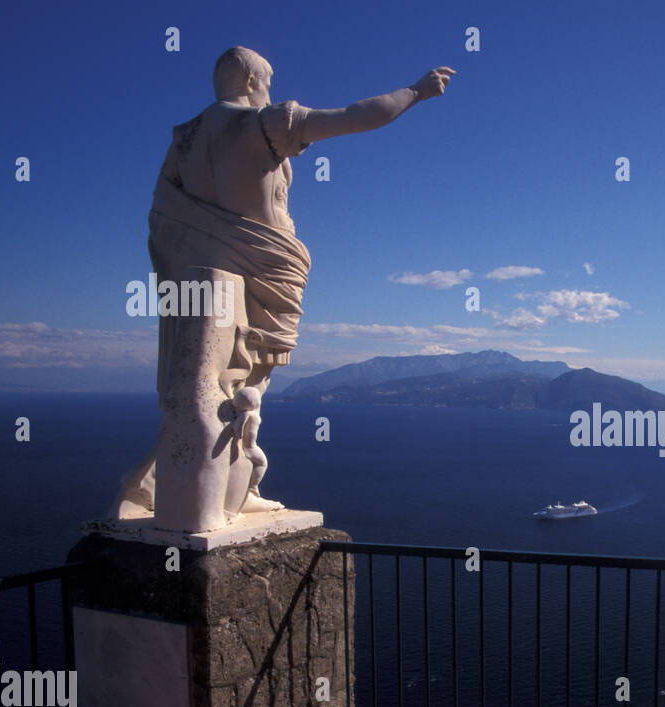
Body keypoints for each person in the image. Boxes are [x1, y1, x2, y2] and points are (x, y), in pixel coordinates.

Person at [111, 48, 455, 518]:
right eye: (268, 80)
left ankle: (192, 484)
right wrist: (416, 92)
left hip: (207, 269)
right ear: (253, 80)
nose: (270, 88)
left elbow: (163, 219)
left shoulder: (184, 140)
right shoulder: (263, 124)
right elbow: (358, 116)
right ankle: (200, 495)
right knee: (240, 385)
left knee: (219, 382)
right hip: (261, 269)